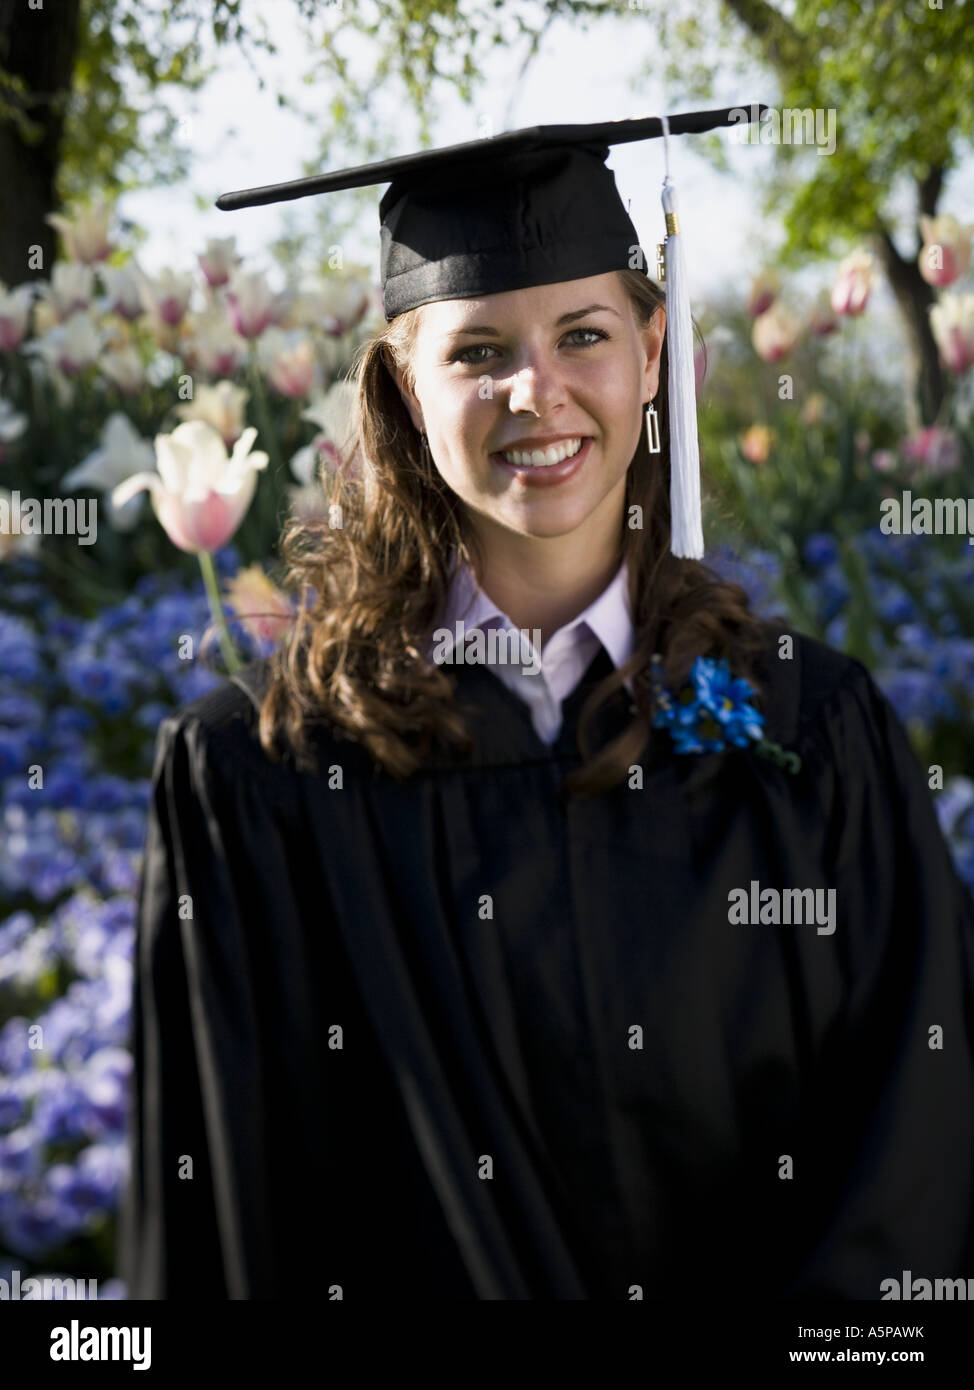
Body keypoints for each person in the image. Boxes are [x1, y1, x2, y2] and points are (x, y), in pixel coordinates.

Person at [117, 109, 974, 1301]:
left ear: (653, 352)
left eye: (583, 333)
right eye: (476, 352)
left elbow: (916, 1156)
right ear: (404, 386)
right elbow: (222, 1221)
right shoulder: (265, 773)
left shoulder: (805, 730)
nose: (538, 391)